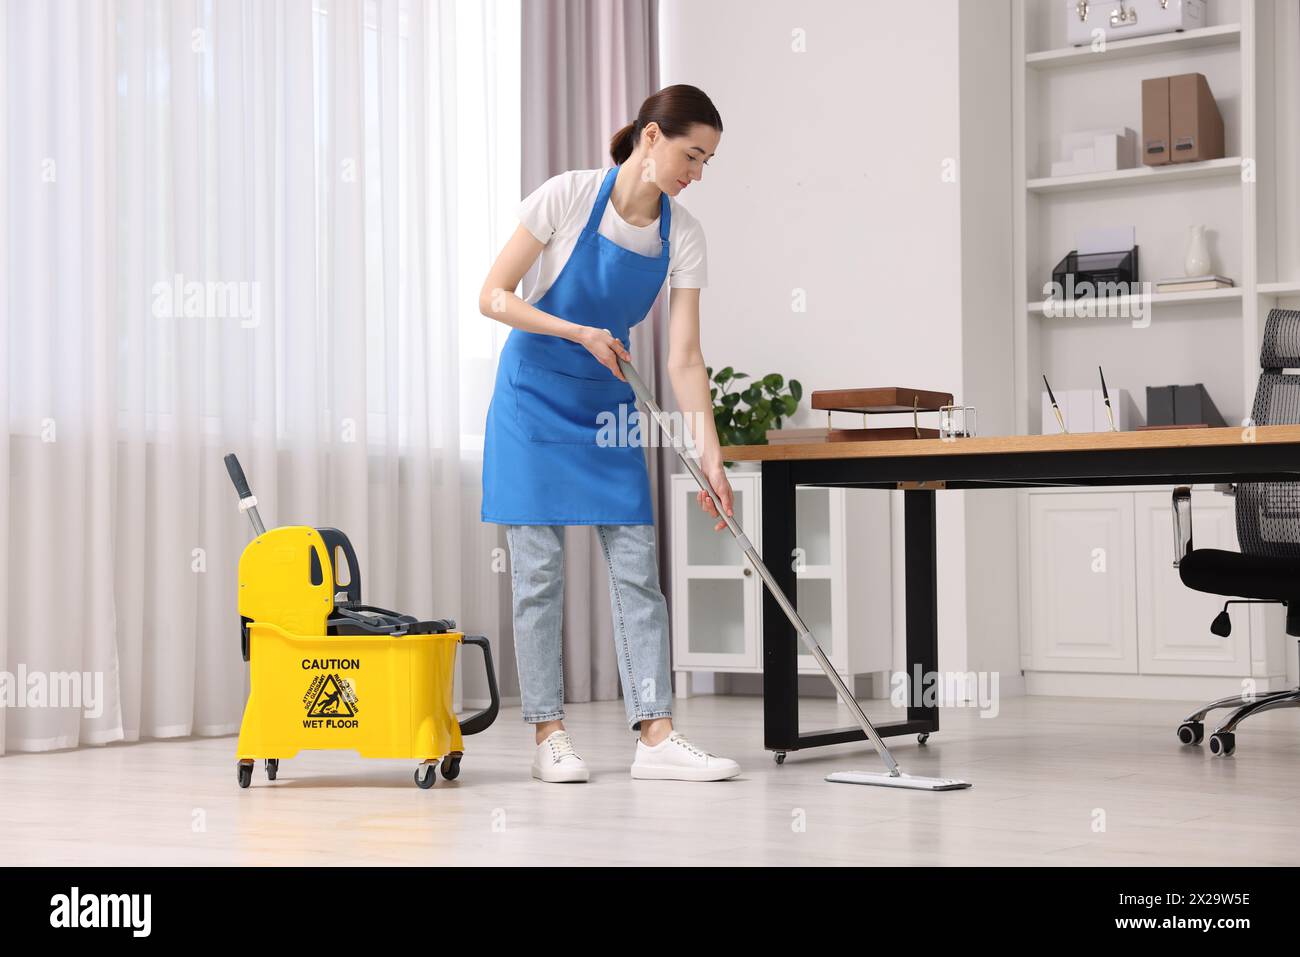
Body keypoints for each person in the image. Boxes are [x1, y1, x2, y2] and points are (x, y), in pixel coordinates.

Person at [479, 84, 740, 783]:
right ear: (650, 137)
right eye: (692, 154)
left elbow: (684, 358)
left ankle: (655, 735)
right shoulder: (567, 196)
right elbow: (493, 295)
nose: (698, 173)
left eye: (709, 160)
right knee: (538, 577)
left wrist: (709, 461)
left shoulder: (682, 235)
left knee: (636, 571)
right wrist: (577, 331)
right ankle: (548, 733)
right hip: (532, 398)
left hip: (606, 406)